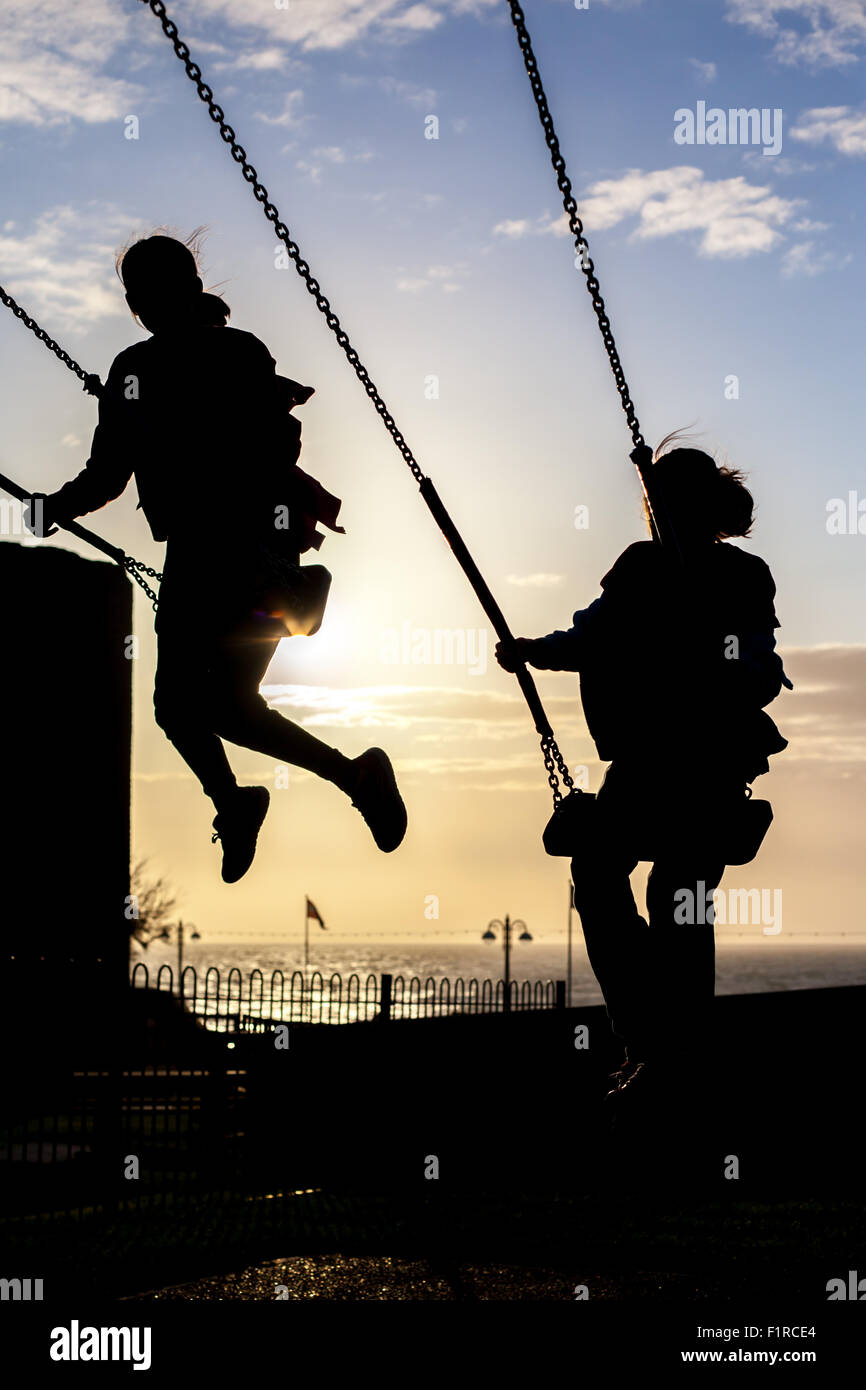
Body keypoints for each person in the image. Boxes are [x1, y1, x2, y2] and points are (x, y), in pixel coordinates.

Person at [28, 231, 406, 882]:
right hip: (224, 551)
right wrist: (57, 506)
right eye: (137, 296)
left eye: (148, 293)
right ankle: (322, 784)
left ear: (173, 291)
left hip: (236, 549)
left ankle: (254, 799)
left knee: (193, 707)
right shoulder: (145, 369)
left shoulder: (217, 357)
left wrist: (65, 502)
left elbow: (268, 447)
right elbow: (110, 473)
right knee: (213, 708)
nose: (144, 306)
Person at [496, 437, 792, 1106]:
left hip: (706, 763)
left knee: (673, 894)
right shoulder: (642, 568)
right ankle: (650, 1041)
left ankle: (668, 1051)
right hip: (645, 763)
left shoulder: (742, 577)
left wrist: (715, 659)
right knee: (602, 875)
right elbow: (593, 636)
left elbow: (760, 669)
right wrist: (534, 653)